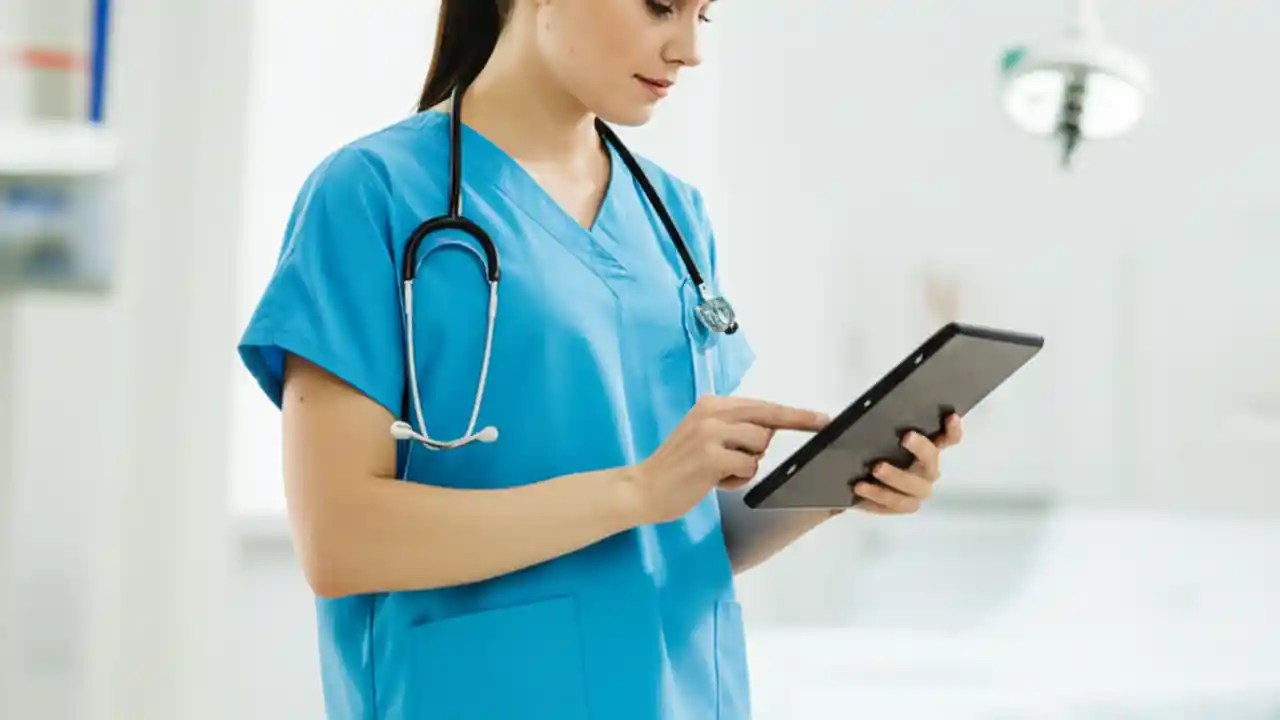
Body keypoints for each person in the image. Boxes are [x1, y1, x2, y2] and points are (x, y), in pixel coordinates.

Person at [237, 1, 964, 718]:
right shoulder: (373, 193)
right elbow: (341, 541)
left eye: (702, 16)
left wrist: (838, 483)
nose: (688, 50)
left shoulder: (676, 217)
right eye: (660, 8)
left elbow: (678, 531)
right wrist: (640, 491)